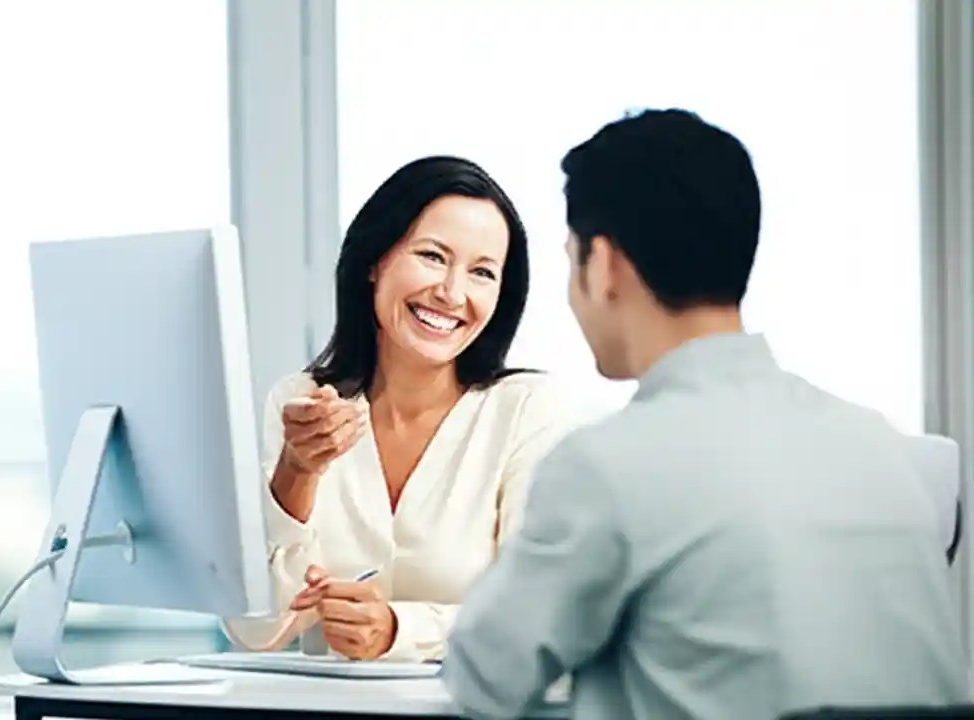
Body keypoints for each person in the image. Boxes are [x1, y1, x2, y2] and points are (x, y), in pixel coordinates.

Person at [443, 109, 968, 720]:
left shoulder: (610, 465)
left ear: (605, 264)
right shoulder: (878, 448)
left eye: (571, 259)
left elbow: (485, 677)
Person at [221, 156, 583, 662]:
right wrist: (297, 471)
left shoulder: (527, 411)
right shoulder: (301, 402)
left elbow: (543, 615)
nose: (452, 293)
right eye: (432, 256)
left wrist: (398, 630)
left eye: (481, 272)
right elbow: (255, 630)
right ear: (375, 260)